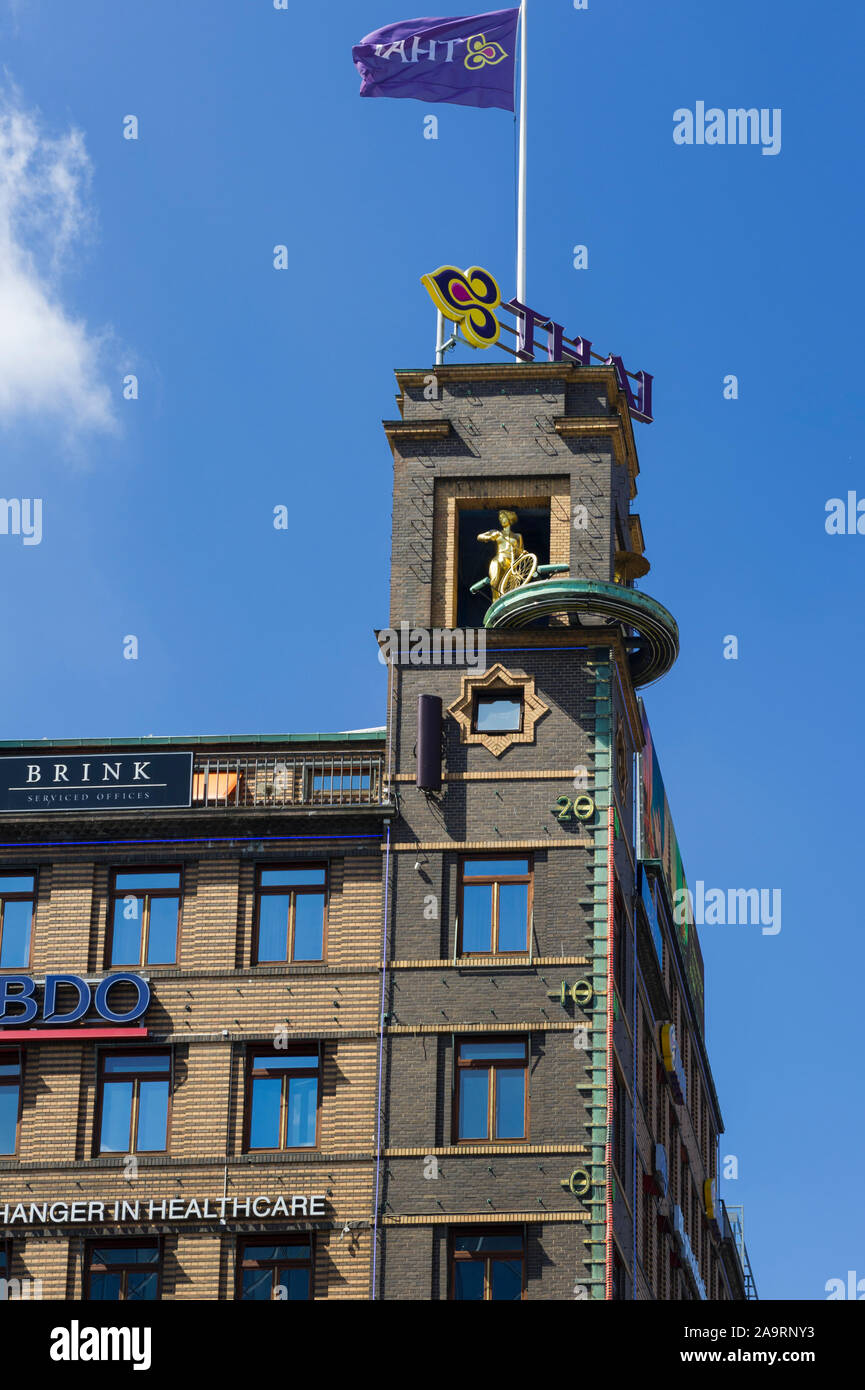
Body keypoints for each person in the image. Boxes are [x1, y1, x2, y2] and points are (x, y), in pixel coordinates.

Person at [478, 509, 524, 602]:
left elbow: (521, 552)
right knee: (494, 580)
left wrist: (519, 551)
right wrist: (490, 537)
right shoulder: (497, 532)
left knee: (508, 586)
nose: (501, 520)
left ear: (509, 519)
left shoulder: (517, 536)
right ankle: (495, 601)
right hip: (499, 558)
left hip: (510, 562)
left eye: (503, 518)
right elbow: (479, 537)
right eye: (500, 518)